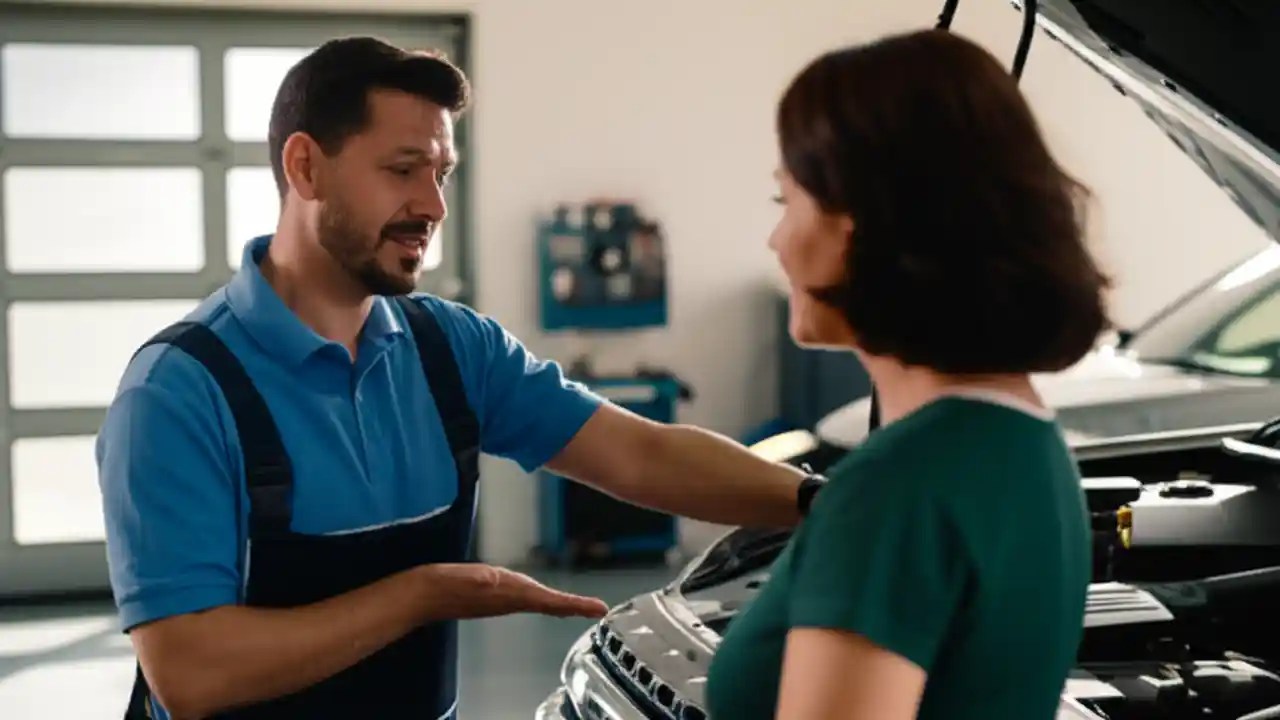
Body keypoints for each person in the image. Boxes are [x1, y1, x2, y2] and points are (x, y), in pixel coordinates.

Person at [96, 36, 815, 720]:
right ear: (306, 167)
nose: (433, 207)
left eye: (441, 174)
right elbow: (190, 674)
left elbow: (640, 453)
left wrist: (834, 505)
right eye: (402, 169)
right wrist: (422, 595)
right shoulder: (179, 392)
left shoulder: (450, 348)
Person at [705, 29, 1108, 719]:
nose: (776, 240)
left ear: (861, 222)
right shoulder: (1025, 442)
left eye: (786, 201)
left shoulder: (896, 491)